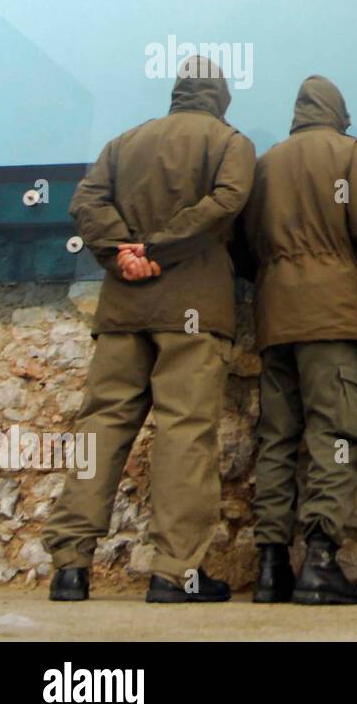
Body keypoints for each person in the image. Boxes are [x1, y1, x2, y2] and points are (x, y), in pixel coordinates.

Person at [44, 56, 255, 603]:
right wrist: (159, 249)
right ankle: (173, 572)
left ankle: (70, 566)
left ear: (178, 93)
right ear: (220, 97)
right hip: (193, 309)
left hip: (123, 309)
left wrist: (123, 253)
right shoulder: (230, 144)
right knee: (185, 433)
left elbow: (85, 201)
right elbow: (227, 202)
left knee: (101, 427)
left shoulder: (123, 143)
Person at [240, 75, 357, 605]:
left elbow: (243, 238)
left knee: (278, 440)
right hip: (331, 315)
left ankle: (270, 568)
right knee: (334, 434)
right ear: (340, 111)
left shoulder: (264, 165)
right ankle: (320, 563)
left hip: (275, 316)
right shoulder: (352, 153)